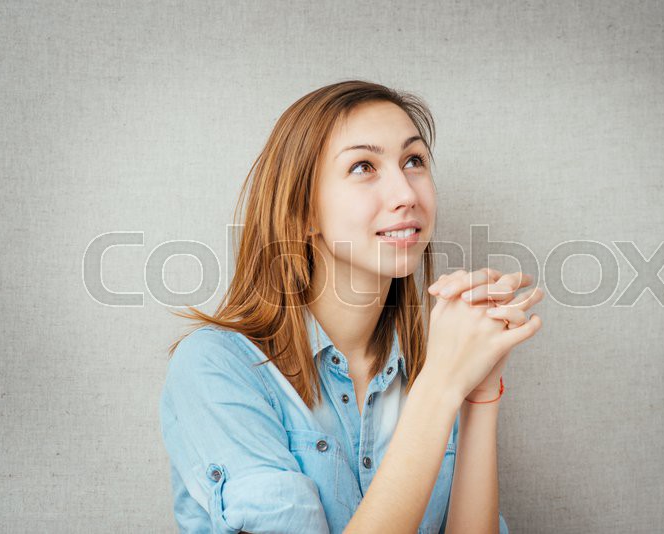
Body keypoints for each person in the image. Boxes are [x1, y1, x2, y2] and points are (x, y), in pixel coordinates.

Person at [159, 80, 544, 533]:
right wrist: (441, 386)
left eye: (413, 161)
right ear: (302, 212)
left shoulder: (431, 364)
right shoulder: (215, 367)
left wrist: (478, 392)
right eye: (364, 166)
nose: (406, 194)